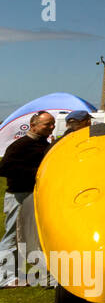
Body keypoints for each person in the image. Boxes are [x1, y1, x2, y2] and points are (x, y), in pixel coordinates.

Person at [0, 111, 55, 287]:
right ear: (33, 126)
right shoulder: (20, 145)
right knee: (13, 236)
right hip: (18, 196)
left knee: (34, 235)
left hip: (34, 196)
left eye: (52, 123)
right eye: (47, 124)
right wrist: (37, 174)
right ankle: (5, 277)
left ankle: (36, 272)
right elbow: (5, 168)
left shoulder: (43, 144)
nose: (52, 127)